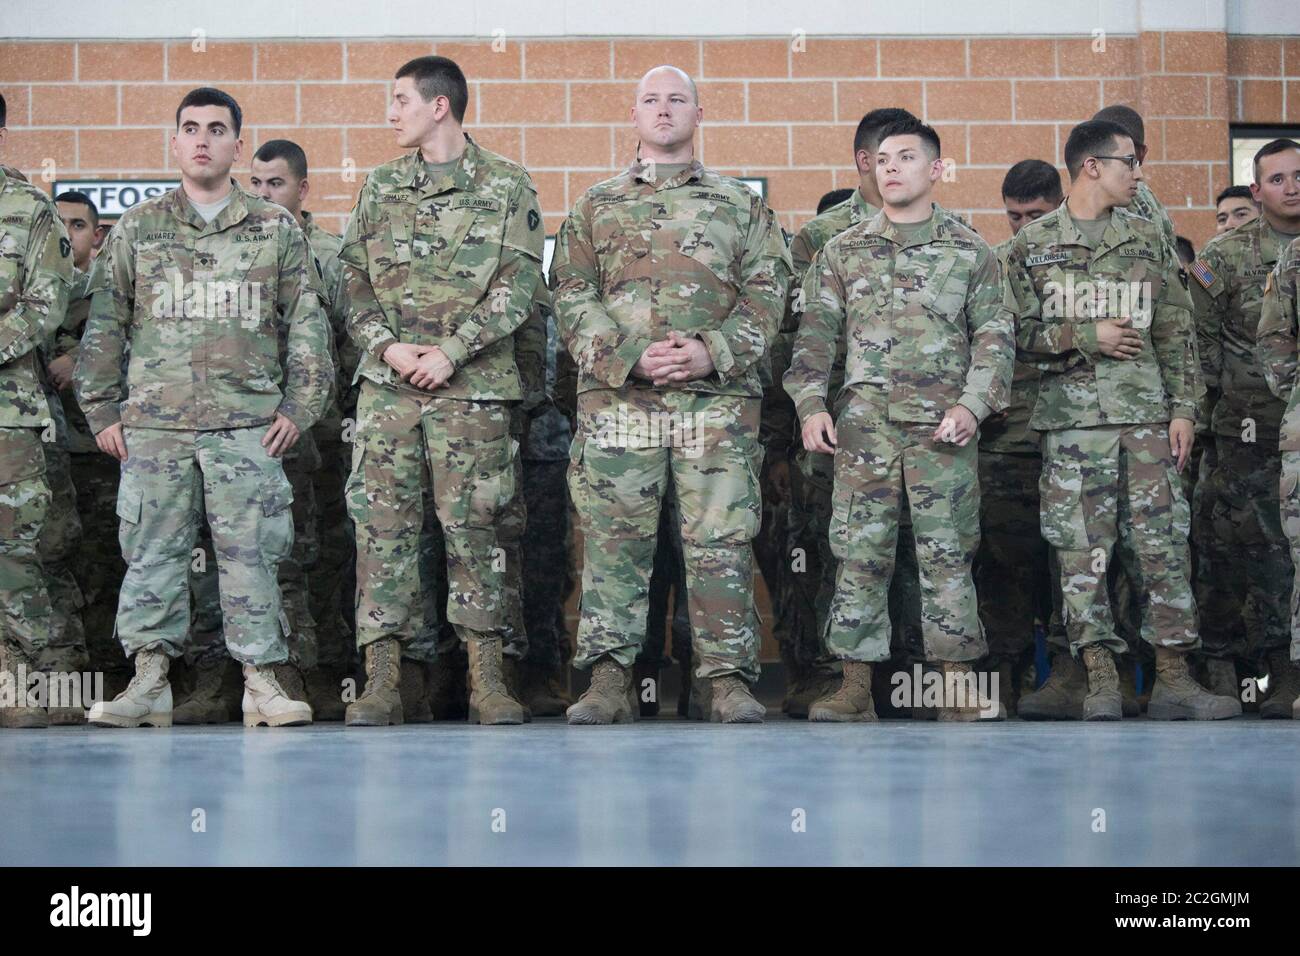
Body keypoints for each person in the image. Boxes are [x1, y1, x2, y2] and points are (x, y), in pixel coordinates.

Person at [76, 87, 333, 728]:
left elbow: (306, 325)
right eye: (190, 128)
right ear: (174, 142)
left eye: (217, 129)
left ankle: (261, 684)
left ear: (236, 146)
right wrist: (103, 413)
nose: (202, 138)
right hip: (155, 429)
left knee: (253, 557)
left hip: (246, 427)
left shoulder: (275, 228)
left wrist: (301, 408)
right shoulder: (139, 228)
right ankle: (149, 683)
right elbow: (104, 325)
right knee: (152, 556)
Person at [551, 65, 791, 724]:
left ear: (698, 112)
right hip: (620, 404)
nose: (663, 110)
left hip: (714, 407)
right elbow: (569, 291)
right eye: (650, 100)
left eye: (676, 99)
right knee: (614, 540)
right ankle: (609, 680)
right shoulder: (596, 205)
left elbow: (770, 287)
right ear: (634, 116)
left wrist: (713, 349)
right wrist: (627, 355)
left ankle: (724, 681)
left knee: (720, 541)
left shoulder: (740, 205)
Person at [1005, 118, 1240, 721]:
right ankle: (1099, 676)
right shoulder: (1030, 246)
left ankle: (1172, 677)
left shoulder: (1147, 236)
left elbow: (1176, 328)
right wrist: (1085, 334)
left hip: (1147, 422)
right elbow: (1009, 333)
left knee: (1162, 548)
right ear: (1092, 167)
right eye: (1128, 163)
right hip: (1074, 426)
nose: (1137, 173)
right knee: (1083, 554)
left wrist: (1186, 409)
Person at [784, 117, 1014, 721]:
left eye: (906, 157)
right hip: (864, 431)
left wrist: (973, 405)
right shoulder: (842, 250)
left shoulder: (972, 252)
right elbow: (812, 344)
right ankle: (854, 685)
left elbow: (995, 340)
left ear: (935, 170)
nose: (891, 168)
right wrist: (810, 408)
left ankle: (956, 684)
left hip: (943, 428)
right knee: (858, 554)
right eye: (882, 159)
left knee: (947, 553)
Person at [338, 56, 543, 726]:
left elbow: (519, 286)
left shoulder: (508, 183)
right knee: (384, 532)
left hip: (474, 388)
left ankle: (488, 677)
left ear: (439, 107)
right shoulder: (380, 186)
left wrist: (453, 350)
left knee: (477, 531)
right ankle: (384, 680)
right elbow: (352, 282)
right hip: (390, 389)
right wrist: (389, 347)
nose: (389, 113)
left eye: (399, 100)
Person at [0, 92, 75, 728]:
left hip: (9, 414)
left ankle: (15, 678)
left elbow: (45, 305)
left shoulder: (30, 213)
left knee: (13, 550)